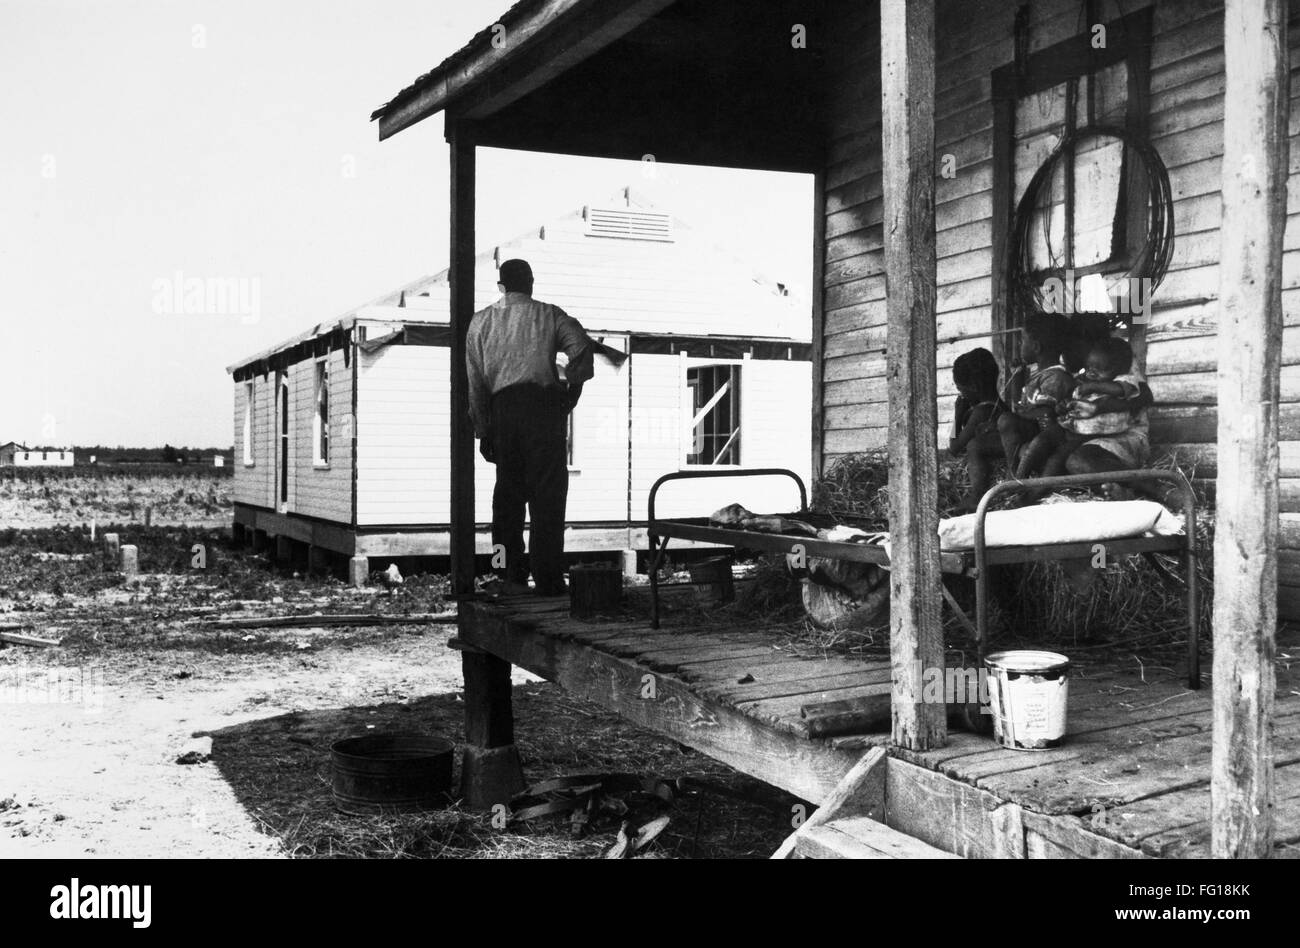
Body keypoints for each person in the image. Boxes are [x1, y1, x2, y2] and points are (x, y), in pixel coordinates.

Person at [466, 259, 593, 595]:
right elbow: (581, 349)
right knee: (547, 499)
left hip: (503, 413)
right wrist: (570, 394)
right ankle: (548, 578)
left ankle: (504, 572)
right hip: (544, 411)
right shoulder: (550, 315)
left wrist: (483, 430)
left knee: (505, 500)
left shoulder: (481, 323)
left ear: (501, 286)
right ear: (531, 283)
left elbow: (476, 384)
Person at [1018, 335, 1141, 482]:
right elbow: (1072, 400)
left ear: (1118, 370)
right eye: (1089, 367)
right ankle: (1017, 480)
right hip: (1071, 426)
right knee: (1039, 442)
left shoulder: (1124, 380)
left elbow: (1119, 389)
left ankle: (1034, 493)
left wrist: (1092, 386)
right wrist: (1063, 406)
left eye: (1100, 369)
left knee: (1057, 459)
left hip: (1090, 433)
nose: (1092, 373)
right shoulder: (1084, 379)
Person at [996, 313, 1076, 477]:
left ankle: (1013, 478)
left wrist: (1018, 414)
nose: (1020, 344)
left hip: (1049, 443)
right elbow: (1023, 403)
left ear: (1036, 347)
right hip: (1035, 437)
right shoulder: (1040, 375)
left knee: (1007, 420)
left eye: (1023, 340)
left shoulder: (1056, 378)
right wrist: (1017, 377)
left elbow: (1045, 413)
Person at [948, 347, 1006, 509]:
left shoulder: (982, 411)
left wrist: (957, 416)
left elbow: (954, 448)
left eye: (960, 389)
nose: (961, 395)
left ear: (973, 387)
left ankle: (977, 497)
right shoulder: (1000, 405)